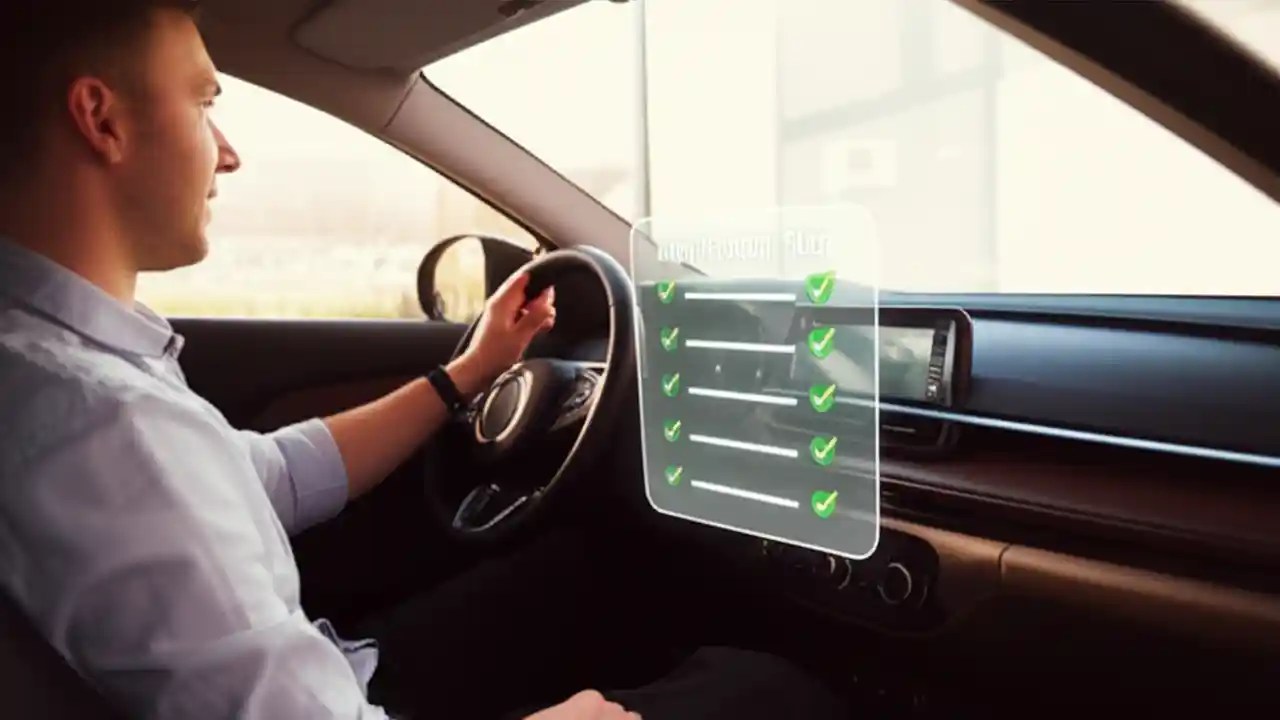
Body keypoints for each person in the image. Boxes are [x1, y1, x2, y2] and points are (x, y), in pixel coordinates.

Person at [0, 2, 853, 719]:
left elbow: (270, 475)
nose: (227, 152)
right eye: (202, 104)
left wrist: (468, 373)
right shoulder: (100, 429)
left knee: (588, 570)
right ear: (101, 119)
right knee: (765, 691)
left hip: (340, 673)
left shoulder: (68, 366)